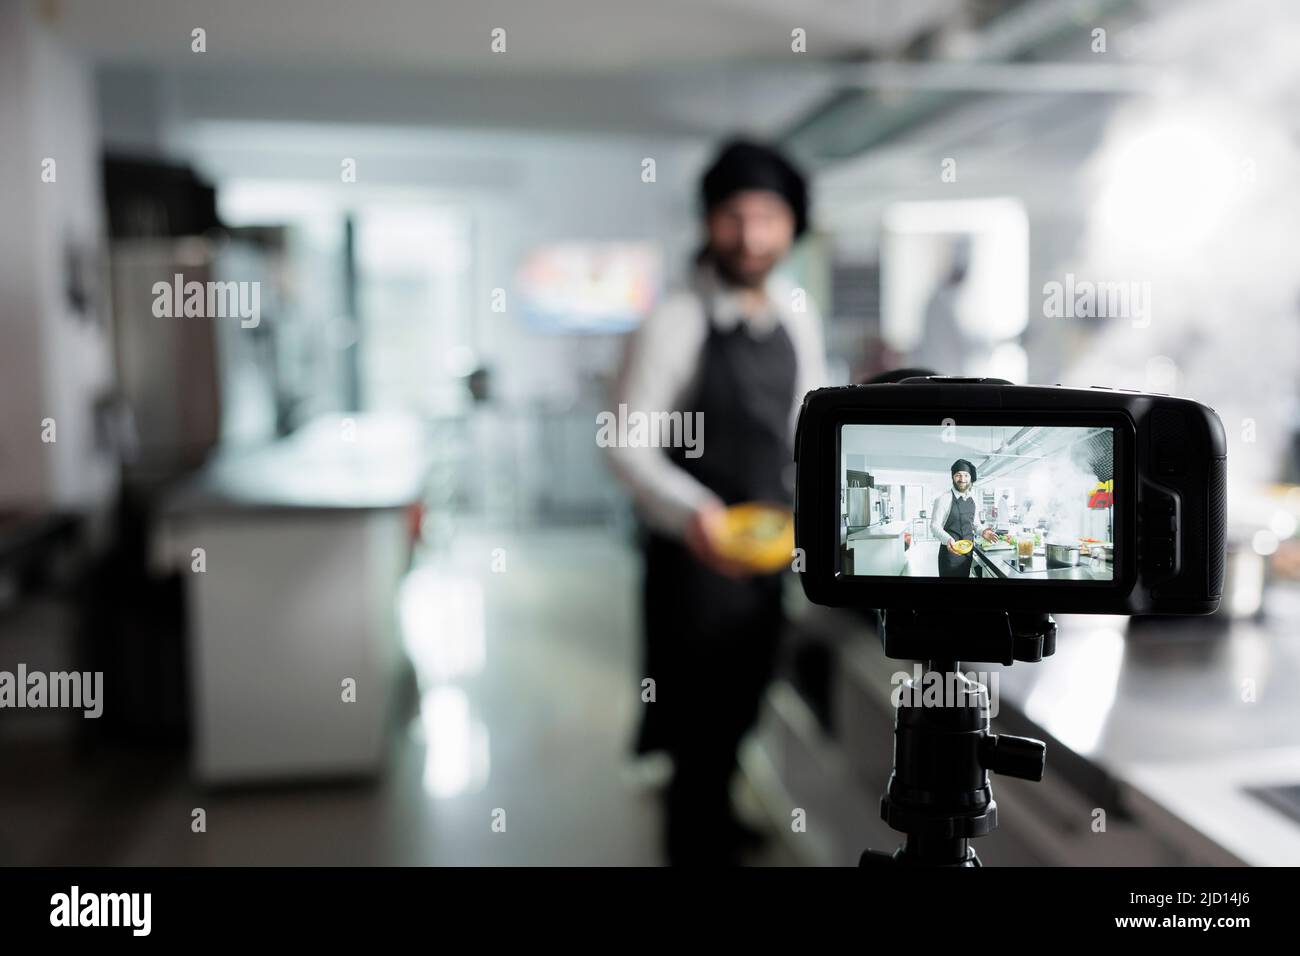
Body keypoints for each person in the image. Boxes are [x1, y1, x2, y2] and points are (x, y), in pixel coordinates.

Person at [607, 138, 827, 864]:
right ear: (708, 222)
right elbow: (626, 443)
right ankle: (692, 845)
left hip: (770, 555)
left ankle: (720, 823)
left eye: (769, 218)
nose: (751, 236)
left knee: (744, 702)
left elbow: (806, 432)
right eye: (735, 217)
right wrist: (694, 515)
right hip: (693, 562)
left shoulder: (796, 316)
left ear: (792, 226)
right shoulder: (674, 320)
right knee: (692, 723)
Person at [930, 458, 999, 577]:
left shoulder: (973, 499)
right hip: (950, 554)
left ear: (970, 478)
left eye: (966, 475)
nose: (962, 479)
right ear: (953, 477)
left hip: (967, 553)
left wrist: (982, 531)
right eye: (958, 475)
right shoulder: (944, 499)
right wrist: (948, 540)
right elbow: (934, 526)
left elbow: (975, 524)